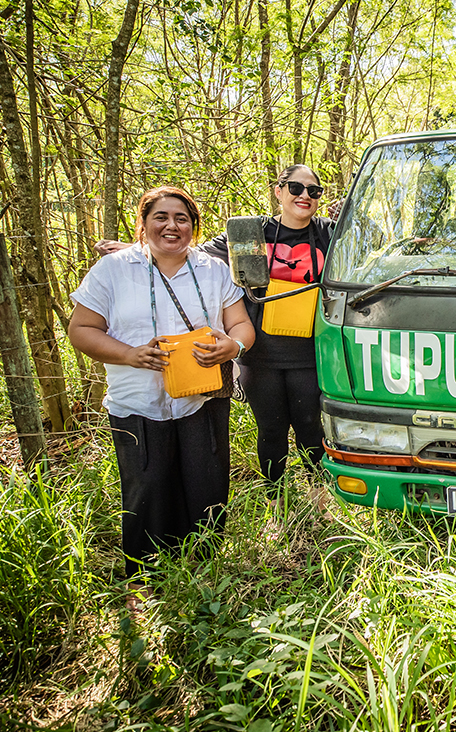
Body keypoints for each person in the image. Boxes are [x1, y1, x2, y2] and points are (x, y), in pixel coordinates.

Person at [96, 165, 336, 504]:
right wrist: (134, 249)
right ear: (279, 191)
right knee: (270, 429)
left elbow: (366, 257)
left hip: (312, 351)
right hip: (261, 352)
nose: (305, 196)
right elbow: (190, 253)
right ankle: (276, 501)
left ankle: (319, 498)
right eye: (296, 187)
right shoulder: (250, 232)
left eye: (314, 191)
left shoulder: (330, 234)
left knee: (312, 427)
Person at [69, 187, 255, 609]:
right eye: (162, 217)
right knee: (148, 485)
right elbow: (82, 330)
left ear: (194, 225)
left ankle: (206, 570)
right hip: (137, 402)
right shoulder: (112, 270)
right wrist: (130, 354)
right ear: (144, 222)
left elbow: (241, 324)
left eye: (182, 218)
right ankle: (145, 580)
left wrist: (233, 347)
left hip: (202, 398)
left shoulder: (213, 270)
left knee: (206, 482)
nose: (172, 226)